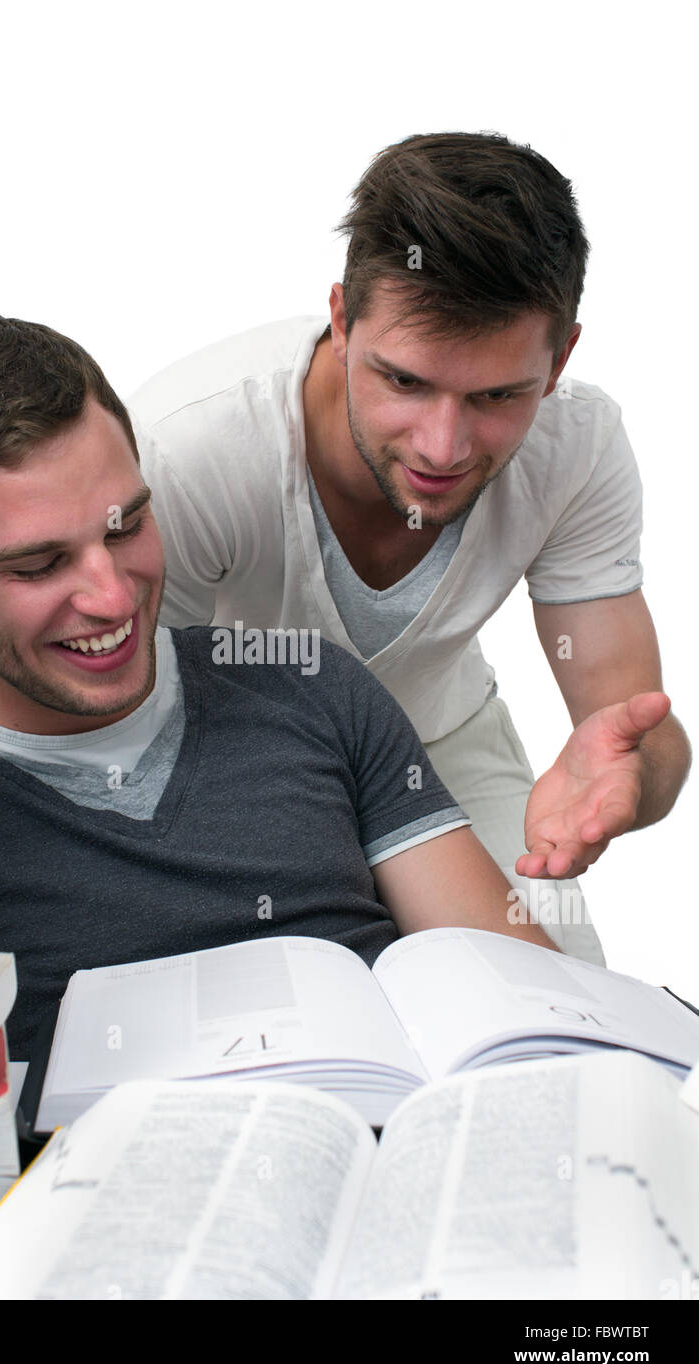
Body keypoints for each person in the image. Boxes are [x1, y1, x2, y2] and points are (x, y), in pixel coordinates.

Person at [0, 314, 559, 1062]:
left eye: (125, 528)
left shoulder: (309, 689)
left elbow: (527, 1006)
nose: (113, 599)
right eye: (38, 565)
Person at [127, 131, 691, 966]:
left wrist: (631, 780)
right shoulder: (187, 452)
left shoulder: (581, 446)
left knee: (563, 996)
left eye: (498, 394)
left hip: (441, 739)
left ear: (561, 357)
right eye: (405, 382)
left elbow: (635, 726)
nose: (443, 445)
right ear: (342, 321)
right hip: (233, 756)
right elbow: (126, 729)